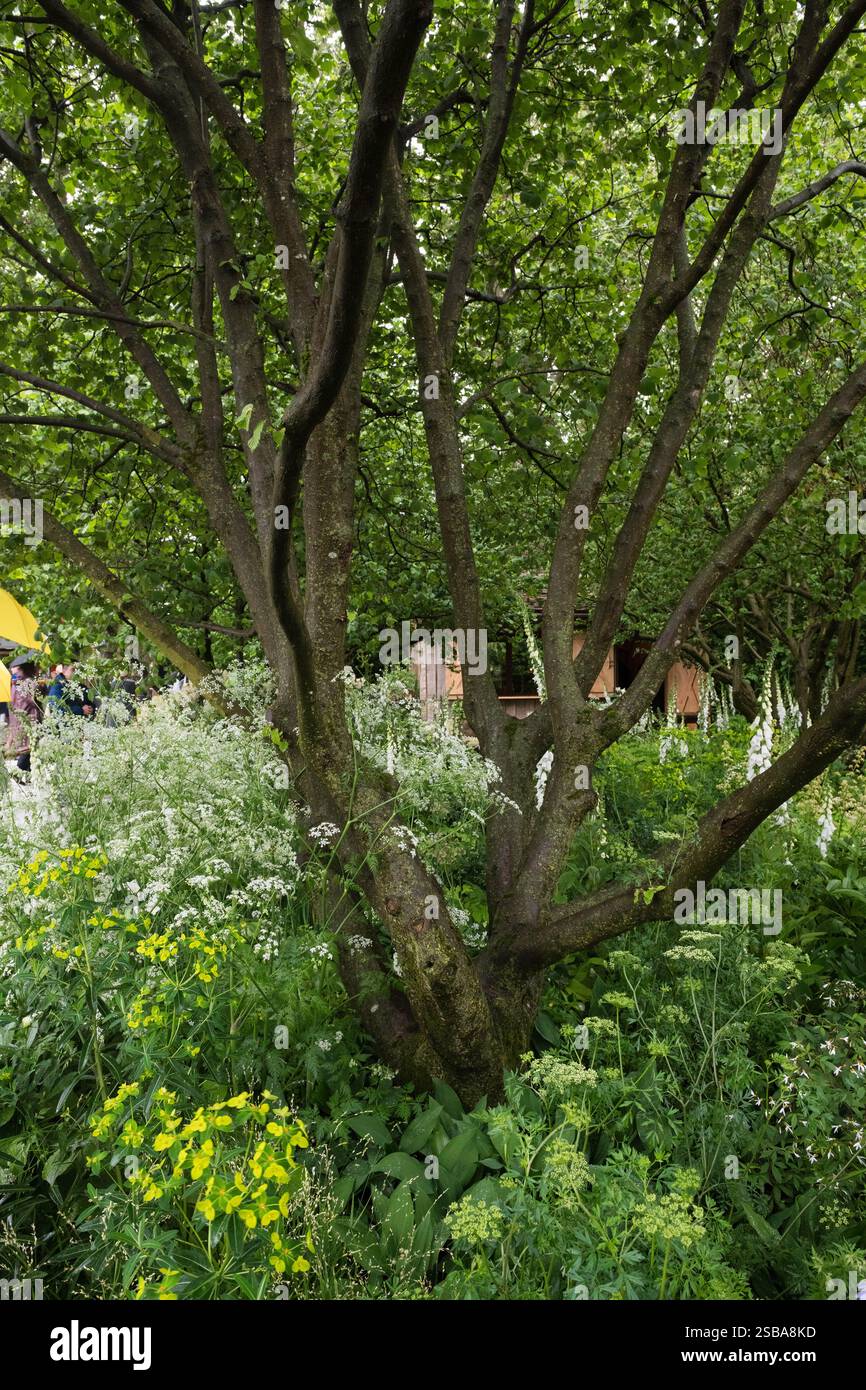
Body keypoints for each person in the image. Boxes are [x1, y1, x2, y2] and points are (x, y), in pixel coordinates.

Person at [4, 659, 43, 774]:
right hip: (30, 721)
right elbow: (34, 701)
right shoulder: (29, 682)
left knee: (29, 755)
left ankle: (26, 776)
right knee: (27, 757)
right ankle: (20, 775)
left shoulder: (15, 682)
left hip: (18, 722)